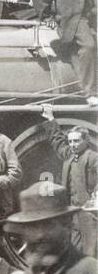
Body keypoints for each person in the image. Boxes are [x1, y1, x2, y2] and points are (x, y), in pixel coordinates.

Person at [42, 105, 98, 254]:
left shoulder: (92, 157)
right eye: (71, 141)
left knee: (90, 251)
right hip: (73, 214)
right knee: (74, 249)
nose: (72, 145)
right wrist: (50, 119)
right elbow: (58, 141)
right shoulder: (69, 156)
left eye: (76, 141)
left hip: (89, 214)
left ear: (85, 141)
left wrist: (95, 197)